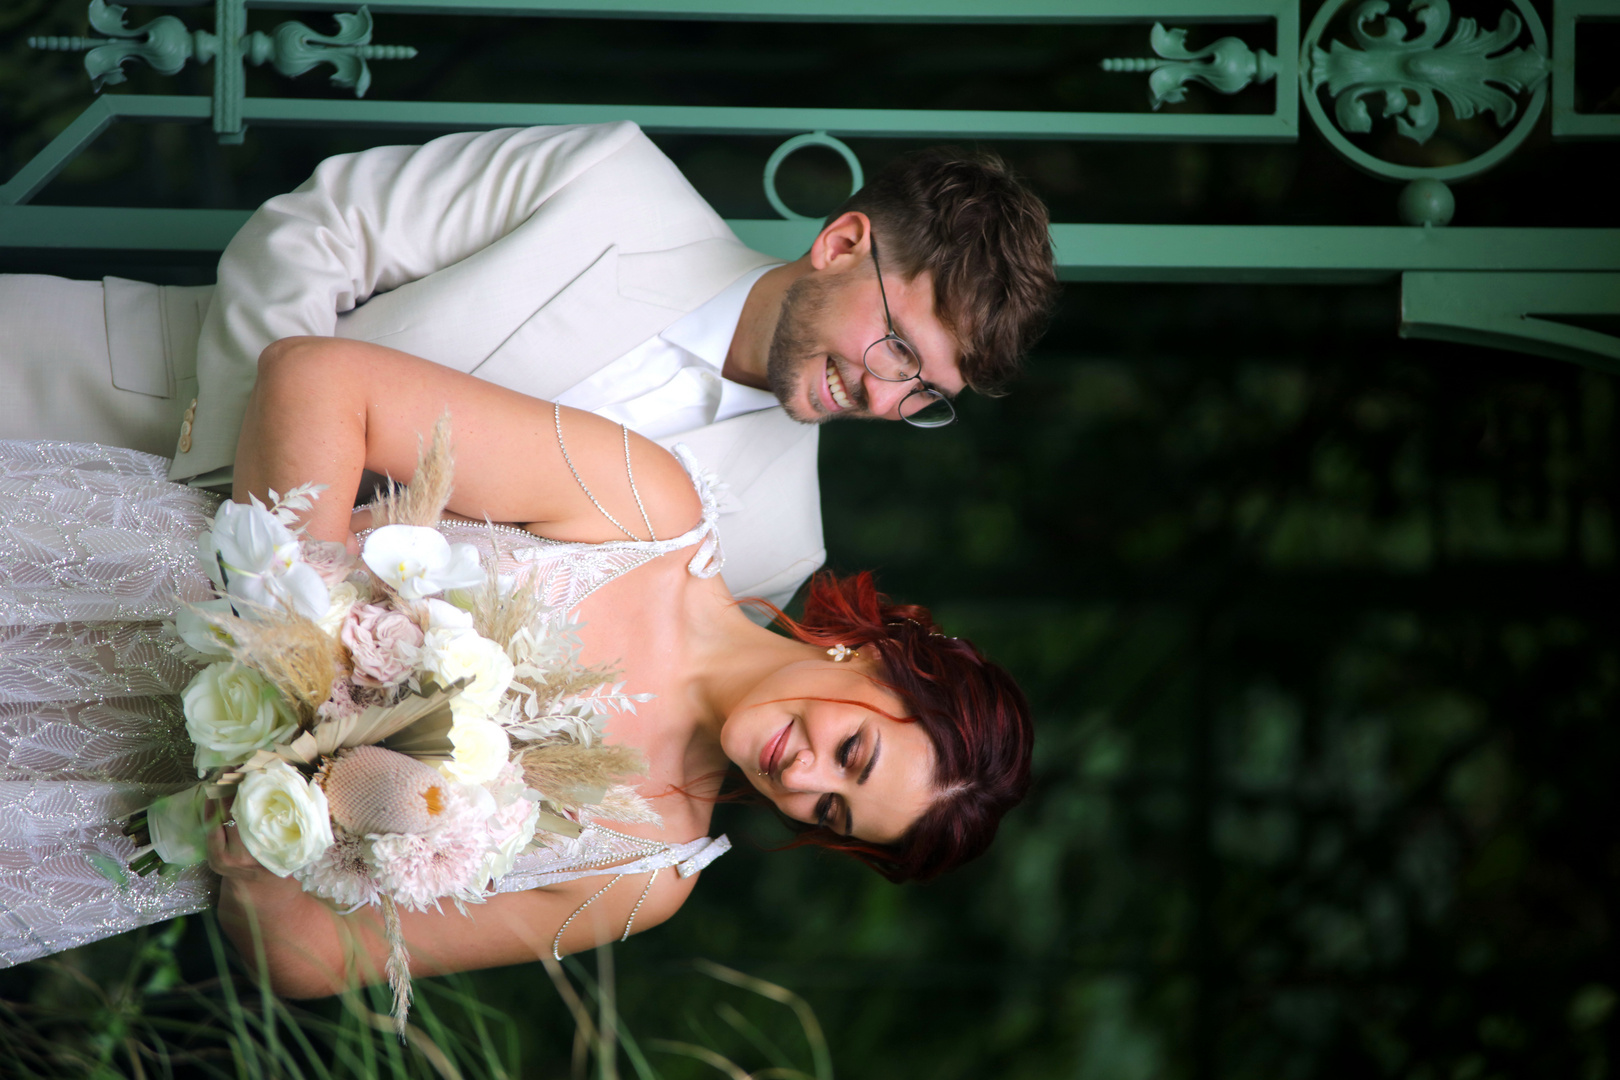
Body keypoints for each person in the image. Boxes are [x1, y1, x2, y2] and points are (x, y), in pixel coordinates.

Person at [0, 330, 1035, 994]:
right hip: (104, 590)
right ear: (875, 661)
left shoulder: (644, 879)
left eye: (836, 818)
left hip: (91, 806)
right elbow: (323, 379)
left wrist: (265, 825)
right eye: (853, 753)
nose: (802, 783)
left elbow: (313, 960)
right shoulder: (648, 511)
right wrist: (287, 643)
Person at [0, 123, 1059, 613]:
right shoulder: (608, 181)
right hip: (108, 398)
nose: (883, 396)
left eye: (924, 396)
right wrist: (234, 495)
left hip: (139, 650)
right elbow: (319, 233)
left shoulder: (776, 553)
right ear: (840, 243)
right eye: (896, 349)